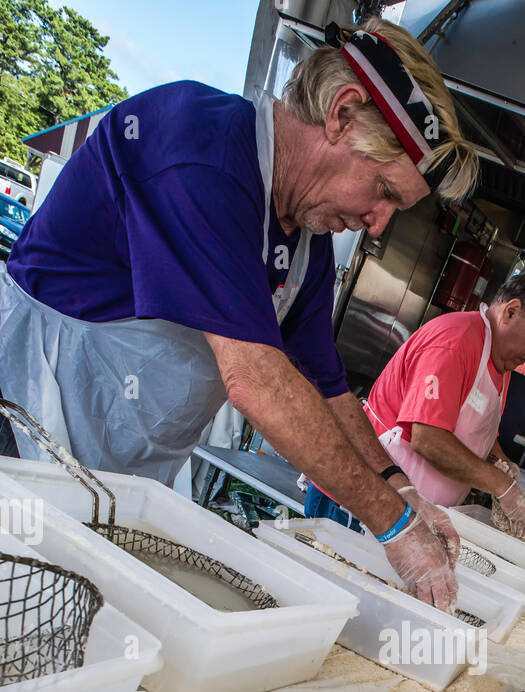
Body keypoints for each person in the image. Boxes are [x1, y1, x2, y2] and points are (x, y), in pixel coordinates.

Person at [0, 18, 477, 610]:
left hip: (114, 474)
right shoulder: (199, 148)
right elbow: (256, 381)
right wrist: (395, 527)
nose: (378, 223)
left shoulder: (306, 240)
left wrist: (401, 489)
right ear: (342, 113)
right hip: (22, 424)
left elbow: (327, 391)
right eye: (382, 190)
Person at [342, 271, 525, 538]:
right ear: (511, 311)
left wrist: (502, 463)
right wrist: (500, 484)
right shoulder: (456, 340)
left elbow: (476, 433)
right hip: (365, 503)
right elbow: (427, 439)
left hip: (413, 517)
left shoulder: (500, 364)